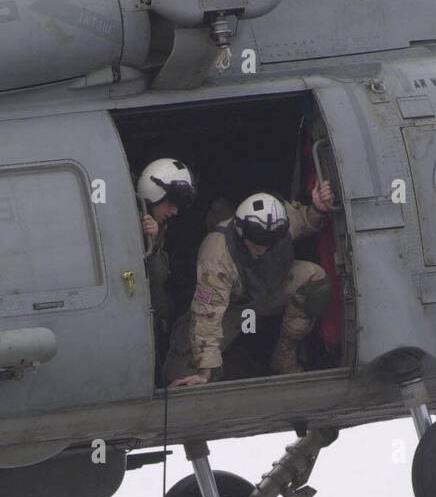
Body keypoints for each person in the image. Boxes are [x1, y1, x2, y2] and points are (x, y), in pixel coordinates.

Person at [163, 181, 335, 386]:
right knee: (179, 376)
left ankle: (284, 355)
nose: (261, 251)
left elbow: (304, 220)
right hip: (230, 307)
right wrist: (205, 371)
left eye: (267, 245)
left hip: (268, 290)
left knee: (314, 278)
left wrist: (318, 208)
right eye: (255, 244)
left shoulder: (279, 221)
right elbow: (207, 313)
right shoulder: (216, 254)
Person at [136, 159, 197, 366]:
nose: (174, 211)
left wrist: (154, 239)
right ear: (154, 195)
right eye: (171, 203)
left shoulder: (157, 224)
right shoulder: (124, 216)